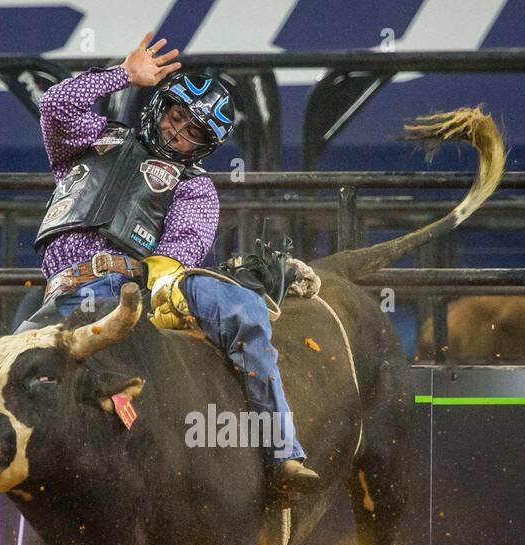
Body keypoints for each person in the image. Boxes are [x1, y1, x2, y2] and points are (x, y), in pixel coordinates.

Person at [30, 32, 319, 495]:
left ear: (202, 147)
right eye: (176, 117)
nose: (177, 133)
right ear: (159, 106)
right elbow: (55, 105)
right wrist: (125, 75)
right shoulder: (95, 137)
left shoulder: (196, 187)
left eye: (191, 134)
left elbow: (179, 254)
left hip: (137, 289)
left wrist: (157, 284)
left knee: (242, 309)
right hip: (61, 295)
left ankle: (282, 452)